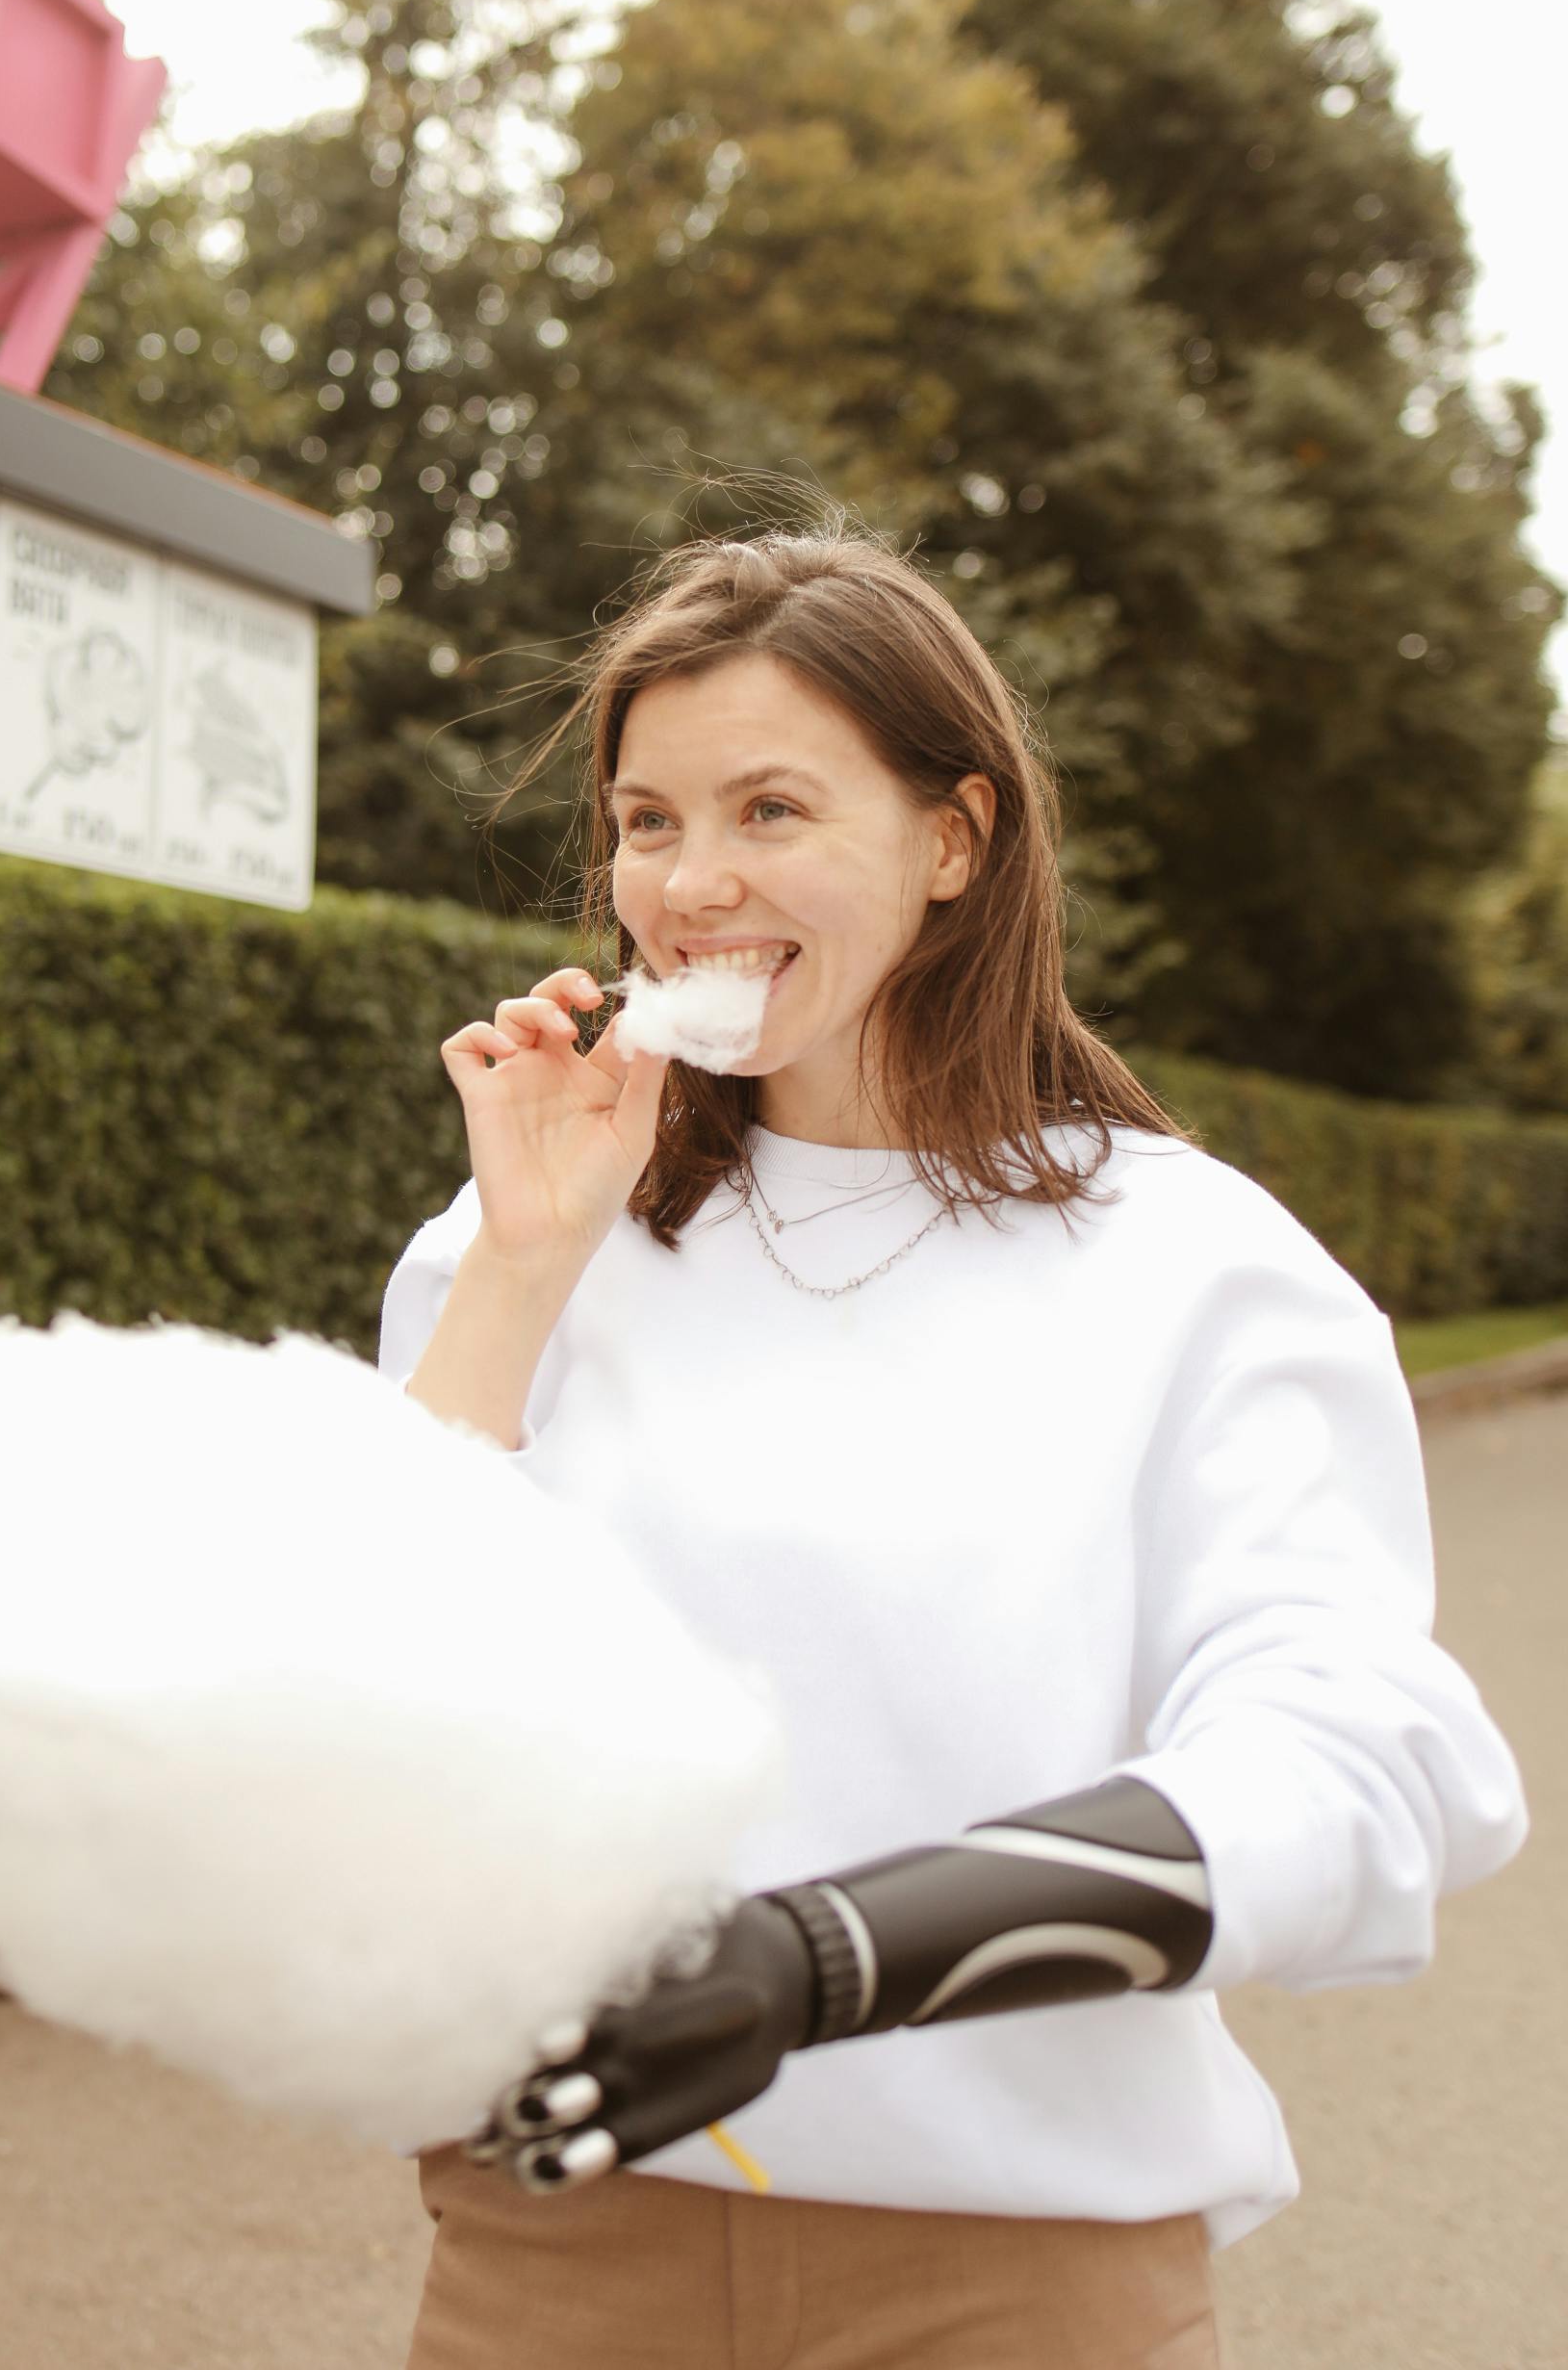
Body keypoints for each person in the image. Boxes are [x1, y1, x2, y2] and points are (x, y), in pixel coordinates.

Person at [377, 528, 1527, 2370]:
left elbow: (1369, 1773)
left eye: (771, 809)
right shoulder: (512, 1235)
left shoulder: (1194, 1264)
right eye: (649, 819)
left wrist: (830, 1960)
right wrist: (519, 1274)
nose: (690, 883)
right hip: (547, 2259)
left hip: (1015, 2289)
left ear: (954, 841)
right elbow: (343, 1709)